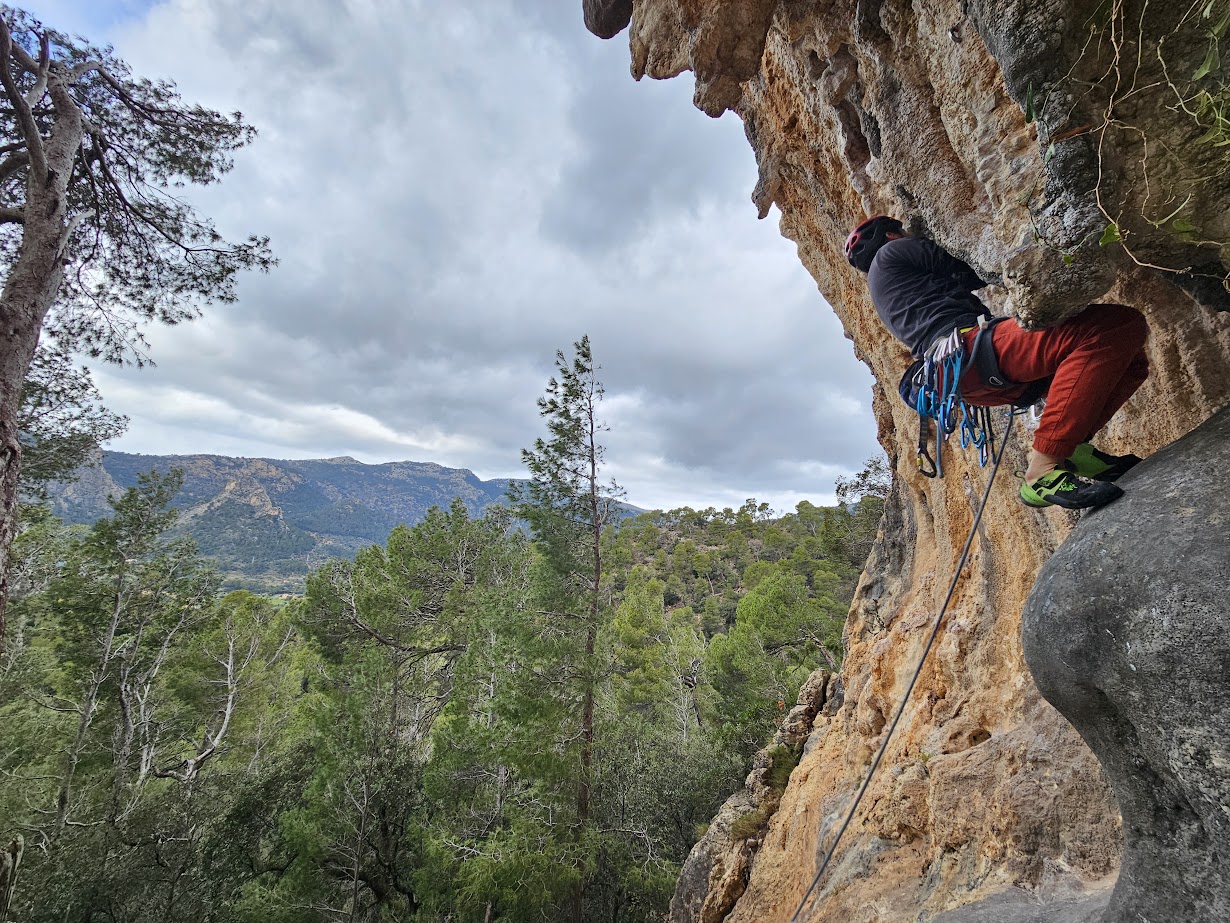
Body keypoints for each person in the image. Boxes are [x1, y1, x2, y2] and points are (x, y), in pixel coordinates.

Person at [845, 215, 1149, 510]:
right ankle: (1042, 471)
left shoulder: (885, 285)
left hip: (964, 378)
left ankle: (1073, 449)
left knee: (1129, 361)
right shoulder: (892, 251)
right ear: (890, 234)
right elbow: (968, 265)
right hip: (968, 350)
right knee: (1111, 328)